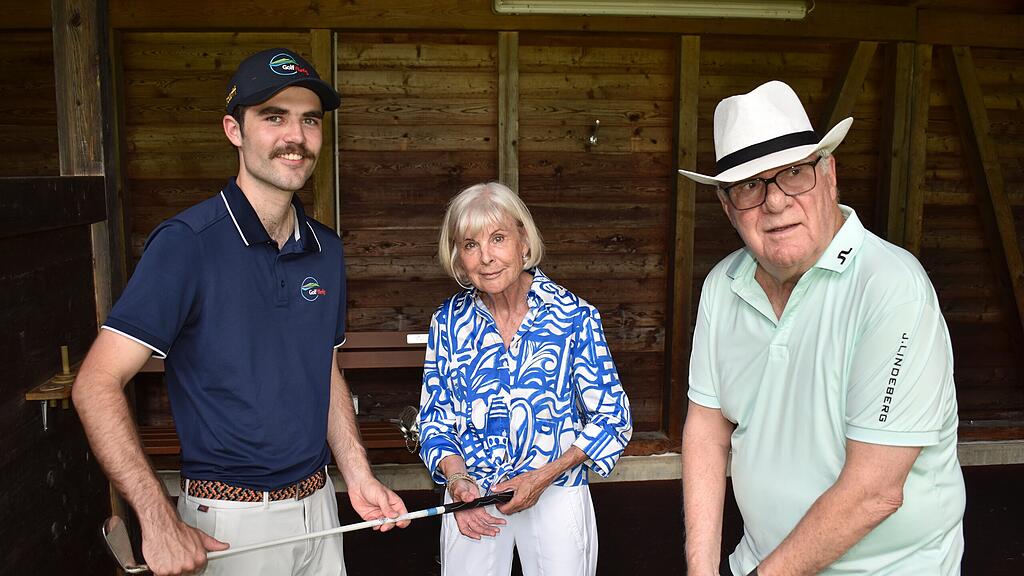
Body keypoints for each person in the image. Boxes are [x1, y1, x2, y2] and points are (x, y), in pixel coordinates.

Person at [72, 48, 408, 576]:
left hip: (320, 511)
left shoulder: (327, 249)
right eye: (273, 117)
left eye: (309, 120)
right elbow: (94, 384)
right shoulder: (186, 244)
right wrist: (158, 518)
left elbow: (322, 366)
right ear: (235, 130)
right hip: (230, 525)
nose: (294, 136)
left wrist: (359, 474)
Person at [678, 80, 965, 576]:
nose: (773, 202)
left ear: (828, 173)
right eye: (750, 185)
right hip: (758, 562)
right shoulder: (723, 285)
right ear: (727, 206)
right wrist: (701, 568)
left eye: (793, 173)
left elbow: (874, 492)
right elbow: (707, 426)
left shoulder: (892, 288)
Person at [416, 182, 633, 576]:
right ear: (458, 258)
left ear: (524, 242)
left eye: (498, 238)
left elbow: (613, 418)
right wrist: (458, 481)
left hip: (555, 491)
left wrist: (543, 475)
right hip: (474, 501)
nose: (486, 257)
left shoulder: (573, 317)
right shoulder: (447, 322)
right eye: (470, 244)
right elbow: (435, 419)